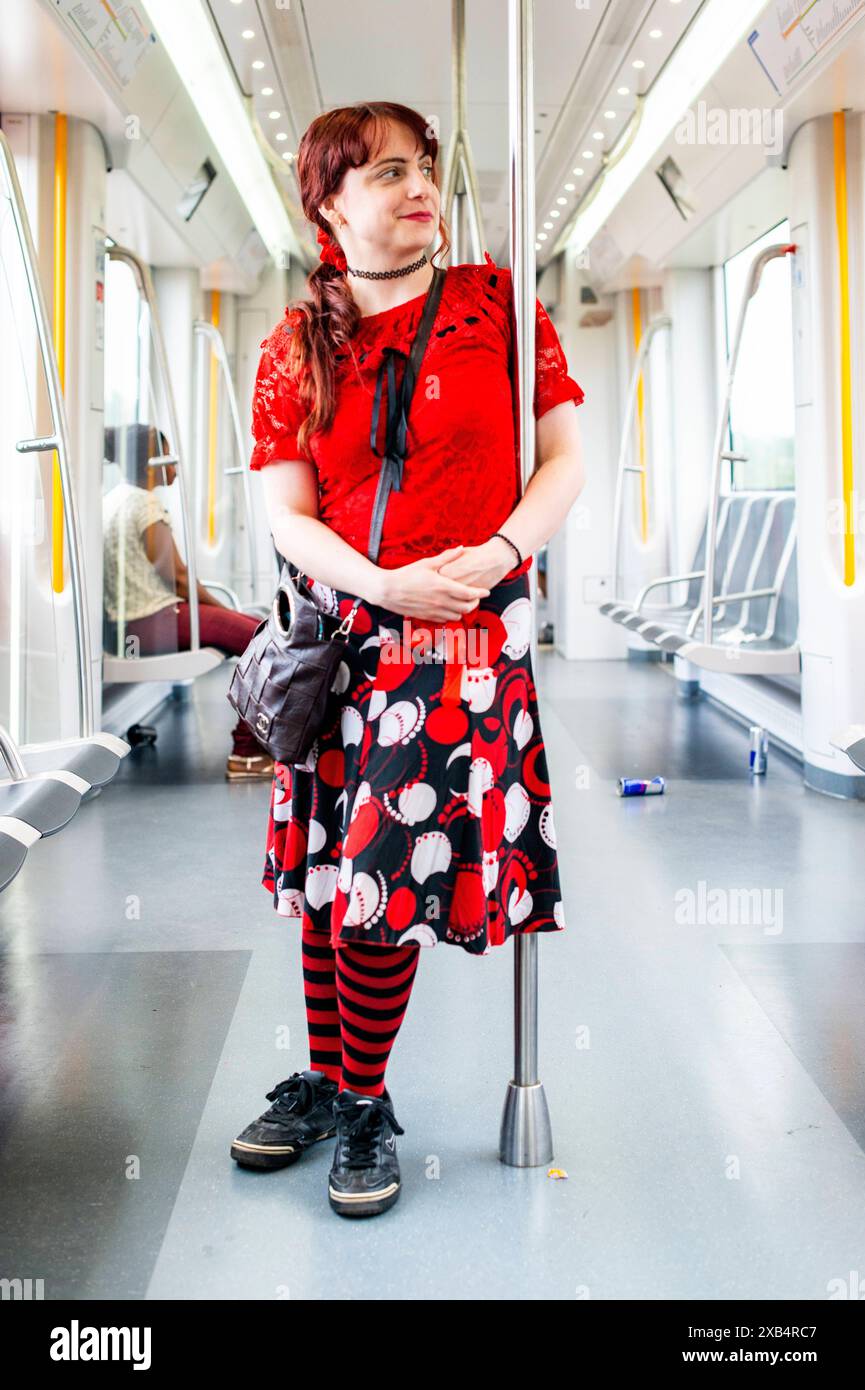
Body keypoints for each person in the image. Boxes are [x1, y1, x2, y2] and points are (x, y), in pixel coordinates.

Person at [230, 101, 586, 1217]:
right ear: (329, 205)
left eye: (423, 164)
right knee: (338, 882)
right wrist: (381, 582)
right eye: (384, 171)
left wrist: (497, 551)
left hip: (462, 641)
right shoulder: (297, 346)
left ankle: (365, 1095)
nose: (417, 183)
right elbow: (285, 511)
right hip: (346, 639)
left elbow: (567, 453)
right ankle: (338, 1085)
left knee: (384, 880)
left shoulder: (498, 310)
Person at [102, 422, 274, 781]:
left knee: (253, 632)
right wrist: (229, 615)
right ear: (153, 461)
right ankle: (247, 752)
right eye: (170, 458)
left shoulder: (116, 499)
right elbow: (178, 579)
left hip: (131, 624)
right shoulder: (145, 506)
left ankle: (254, 746)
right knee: (265, 639)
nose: (176, 467)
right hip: (154, 620)